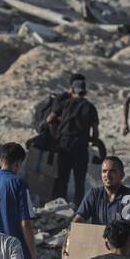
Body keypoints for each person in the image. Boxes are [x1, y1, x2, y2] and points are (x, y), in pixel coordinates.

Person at [39, 75, 100, 207]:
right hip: (81, 148)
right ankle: (79, 207)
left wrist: (60, 123)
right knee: (79, 180)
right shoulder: (90, 107)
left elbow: (49, 119)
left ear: (72, 90)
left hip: (64, 146)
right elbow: (95, 130)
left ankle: (61, 205)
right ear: (85, 91)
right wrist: (93, 141)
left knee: (63, 178)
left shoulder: (65, 103)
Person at [74, 156, 130, 228]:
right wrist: (73, 229)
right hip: (96, 238)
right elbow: (79, 219)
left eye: (112, 171)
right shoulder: (93, 194)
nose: (107, 175)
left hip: (120, 239)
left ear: (121, 175)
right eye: (104, 171)